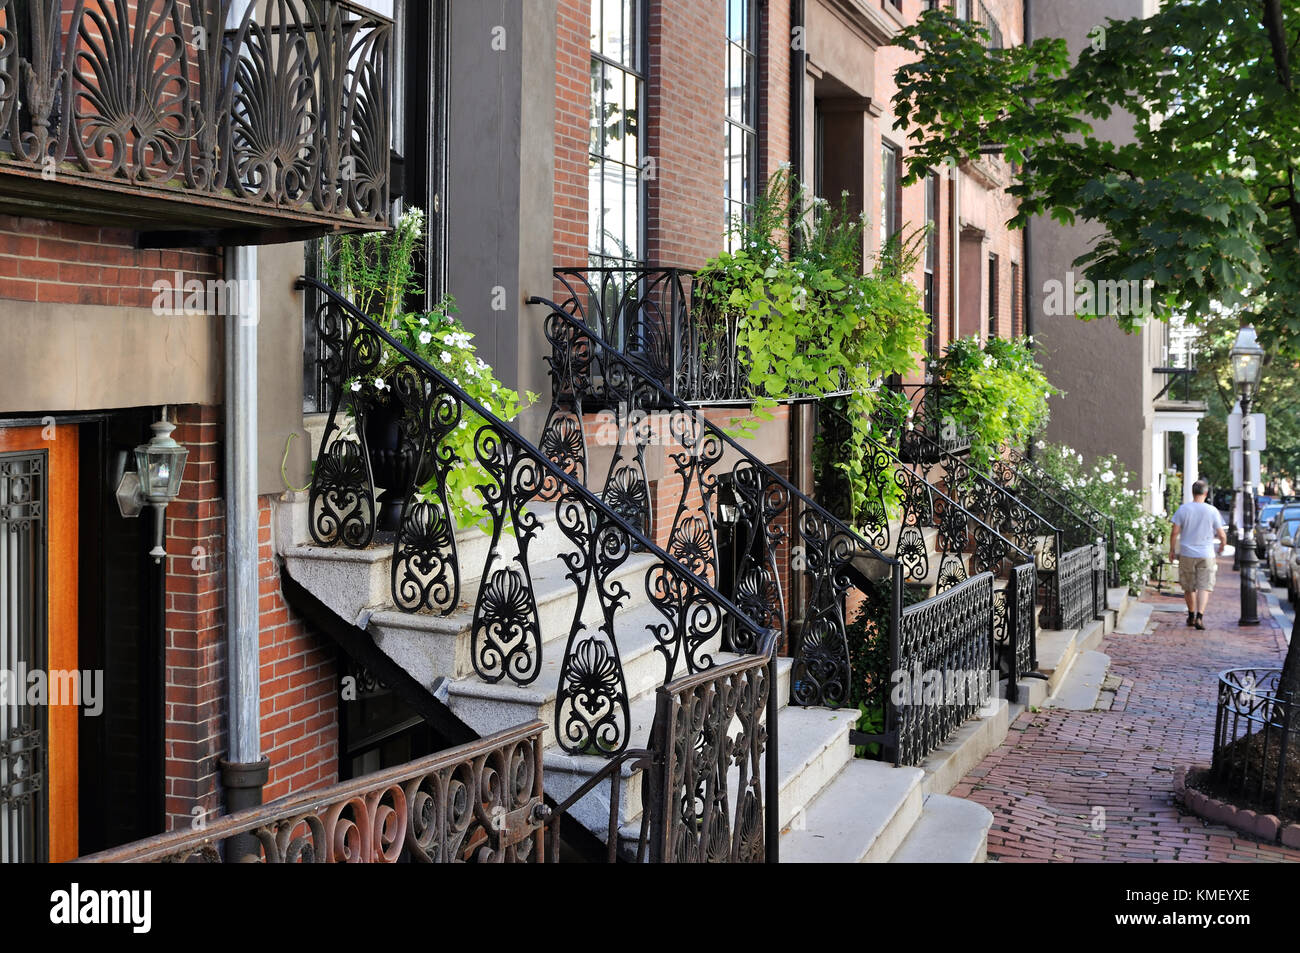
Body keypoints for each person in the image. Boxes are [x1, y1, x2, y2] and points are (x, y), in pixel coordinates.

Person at [1169, 480, 1228, 630]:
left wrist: (1172, 550)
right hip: (1206, 554)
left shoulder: (1183, 509)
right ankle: (1200, 617)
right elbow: (1221, 534)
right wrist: (1222, 545)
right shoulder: (1212, 511)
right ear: (1206, 493)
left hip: (1187, 553)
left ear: (1192, 492)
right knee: (1204, 586)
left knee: (1189, 587)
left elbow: (1174, 532)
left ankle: (1191, 615)